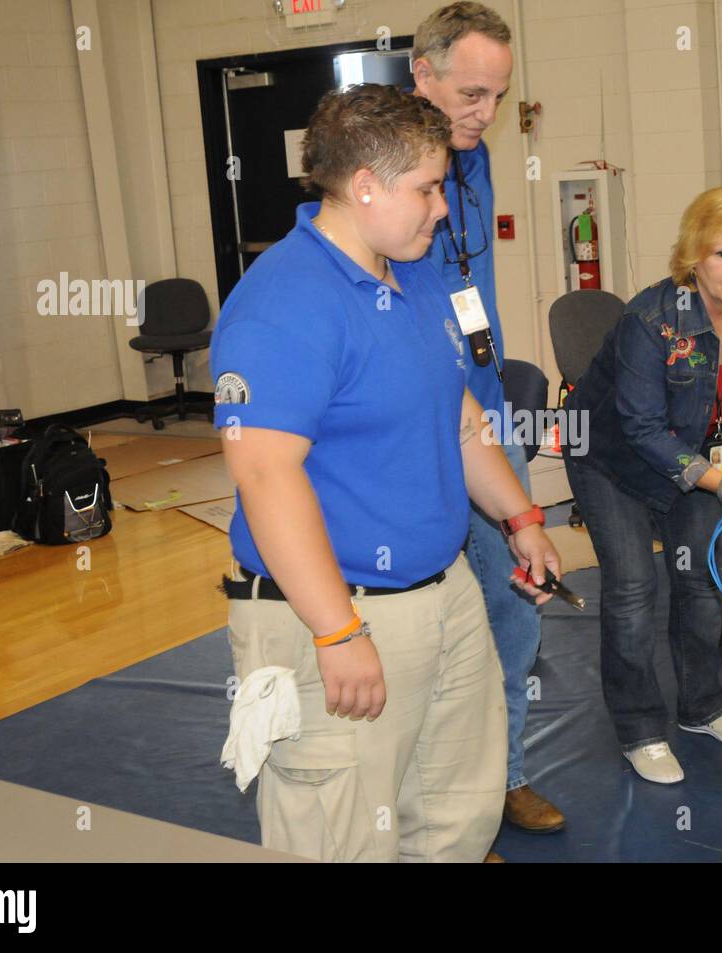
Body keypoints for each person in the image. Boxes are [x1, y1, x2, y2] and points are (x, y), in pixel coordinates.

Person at [209, 83, 559, 863]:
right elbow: (268, 479)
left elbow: (460, 417)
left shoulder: (418, 272)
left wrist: (520, 517)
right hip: (336, 612)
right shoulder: (282, 303)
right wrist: (337, 629)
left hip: (445, 593)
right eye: (428, 189)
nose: (443, 208)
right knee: (339, 836)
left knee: (452, 814)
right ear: (364, 185)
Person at [563, 186, 722, 783]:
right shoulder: (650, 320)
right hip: (610, 460)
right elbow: (639, 426)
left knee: (697, 583)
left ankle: (703, 706)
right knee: (635, 588)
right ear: (693, 255)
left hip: (693, 467)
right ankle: (641, 730)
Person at [413, 2, 564, 833]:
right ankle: (441, 815)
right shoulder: (390, 181)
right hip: (422, 429)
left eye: (499, 97)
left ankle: (499, 778)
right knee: (431, 631)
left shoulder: (472, 162)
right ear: (421, 75)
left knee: (511, 608)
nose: (485, 114)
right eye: (470, 94)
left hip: (484, 417)